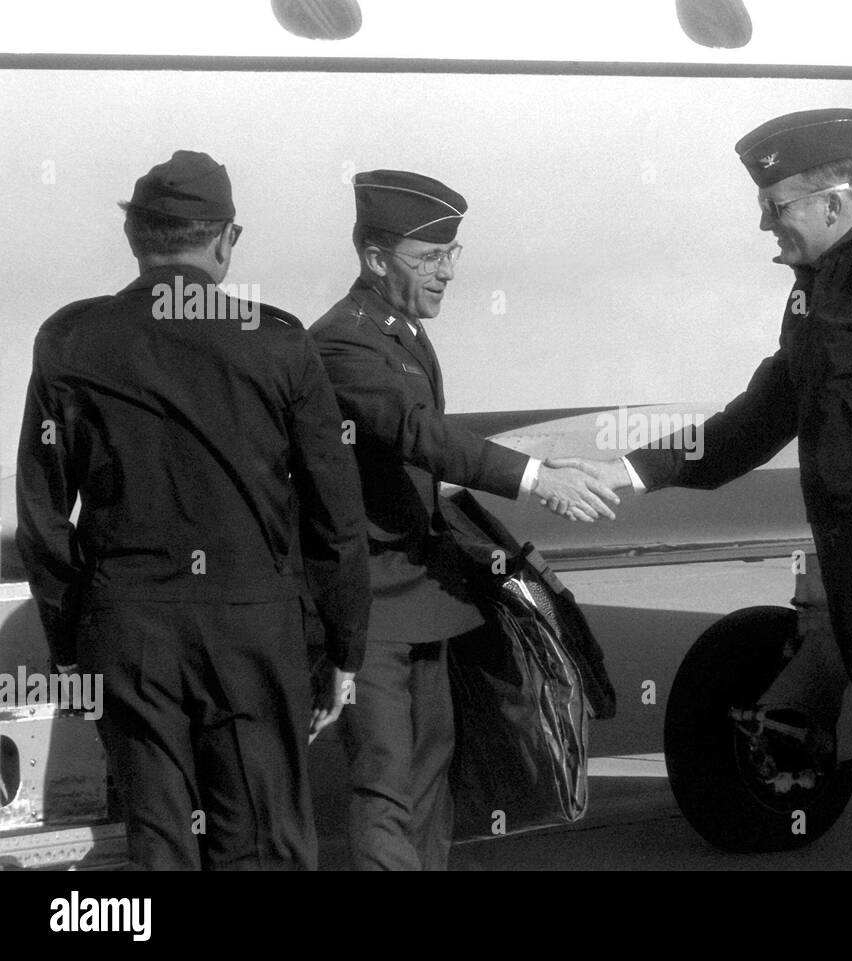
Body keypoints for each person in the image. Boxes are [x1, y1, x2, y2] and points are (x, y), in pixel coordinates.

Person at [555, 109, 852, 870]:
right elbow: (757, 420)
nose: (765, 222)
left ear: (833, 202)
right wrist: (632, 471)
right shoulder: (814, 292)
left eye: (776, 204)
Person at [16, 150, 371, 870]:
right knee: (263, 842)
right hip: (253, 632)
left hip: (127, 628)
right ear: (225, 240)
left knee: (159, 842)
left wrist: (72, 645)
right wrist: (343, 646)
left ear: (133, 238)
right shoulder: (277, 342)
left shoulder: (69, 339)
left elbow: (43, 515)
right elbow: (335, 512)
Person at [309, 169, 618, 870]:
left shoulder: (399, 330)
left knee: (429, 777)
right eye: (430, 258)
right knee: (386, 781)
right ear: (375, 257)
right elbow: (420, 434)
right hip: (372, 608)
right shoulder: (342, 343)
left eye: (452, 254)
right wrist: (536, 478)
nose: (448, 272)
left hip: (422, 595)